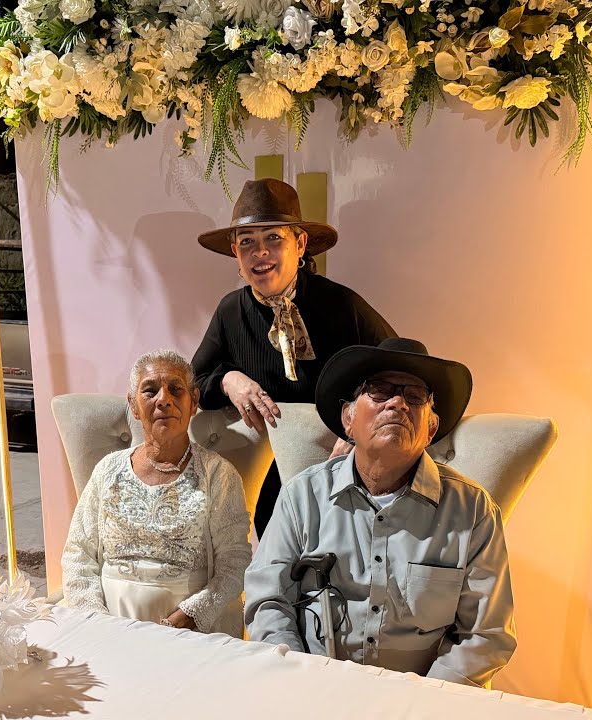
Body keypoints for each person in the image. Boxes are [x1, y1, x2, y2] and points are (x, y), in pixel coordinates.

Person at [243, 338, 516, 687]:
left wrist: (423, 704)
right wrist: (301, 683)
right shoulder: (301, 496)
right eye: (380, 391)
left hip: (422, 702)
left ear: (431, 428)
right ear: (348, 420)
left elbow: (486, 634)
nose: (398, 403)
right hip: (312, 690)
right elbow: (268, 601)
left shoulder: (473, 510)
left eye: (414, 397)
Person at [192, 178, 396, 536]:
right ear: (235, 254)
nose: (260, 253)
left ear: (300, 245)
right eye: (247, 243)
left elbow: (399, 366)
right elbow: (191, 385)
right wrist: (229, 380)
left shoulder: (340, 304)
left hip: (343, 466)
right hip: (271, 477)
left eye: (274, 238)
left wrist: (357, 430)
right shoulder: (230, 312)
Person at [62, 350, 252, 635]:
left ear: (193, 403)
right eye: (150, 391)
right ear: (134, 406)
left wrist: (191, 616)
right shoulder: (107, 470)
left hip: (188, 632)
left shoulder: (218, 475)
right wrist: (97, 622)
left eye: (176, 389)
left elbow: (234, 562)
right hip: (107, 626)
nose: (164, 399)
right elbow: (78, 553)